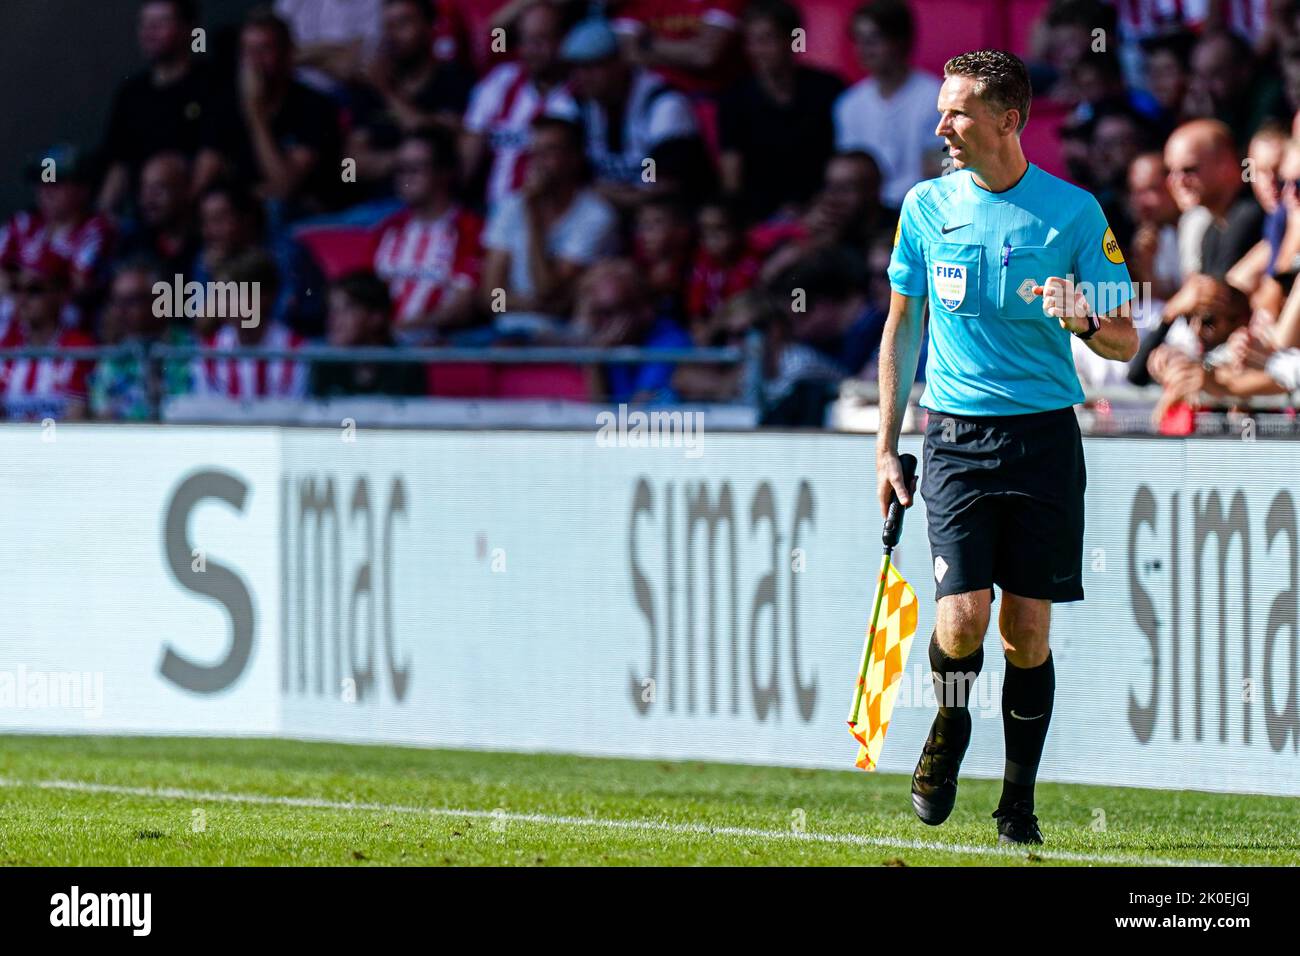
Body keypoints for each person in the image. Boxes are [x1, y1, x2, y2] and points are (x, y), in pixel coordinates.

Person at [877, 50, 1137, 846]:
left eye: (955, 112)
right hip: (954, 438)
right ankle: (950, 728)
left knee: (1027, 629)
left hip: (1044, 439)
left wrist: (1083, 317)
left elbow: (1126, 339)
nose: (940, 125)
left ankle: (1017, 802)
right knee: (961, 620)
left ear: (1007, 119)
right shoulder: (925, 206)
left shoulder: (1075, 213)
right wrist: (886, 449)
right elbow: (903, 324)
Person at [195, 6, 344, 219]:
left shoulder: (315, 106)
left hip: (300, 218)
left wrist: (255, 112)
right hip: (240, 217)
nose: (255, 62)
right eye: (248, 51)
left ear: (287, 54)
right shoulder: (225, 105)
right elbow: (205, 177)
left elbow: (284, 188)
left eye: (264, 50)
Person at [480, 116, 619, 340]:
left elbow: (547, 289)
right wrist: (537, 305)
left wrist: (533, 216)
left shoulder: (596, 215)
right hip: (504, 330)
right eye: (535, 153)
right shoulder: (509, 207)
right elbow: (491, 298)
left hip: (563, 335)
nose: (539, 162)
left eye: (550, 152)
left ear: (575, 158)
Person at [718, 0, 844, 221]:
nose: (758, 51)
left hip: (824, 212)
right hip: (759, 218)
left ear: (793, 39)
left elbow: (842, 162)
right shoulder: (735, 100)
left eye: (767, 39)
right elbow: (732, 182)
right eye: (751, 41)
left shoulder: (828, 90)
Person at [561, 17, 699, 210]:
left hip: (662, 220)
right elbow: (560, 175)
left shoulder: (662, 104)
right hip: (603, 215)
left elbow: (660, 187)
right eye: (576, 68)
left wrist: (601, 192)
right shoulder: (577, 104)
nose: (582, 77)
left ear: (618, 63)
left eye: (592, 67)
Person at [346, 0, 477, 194]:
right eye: (387, 27)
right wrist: (410, 161)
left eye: (403, 24)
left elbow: (444, 145)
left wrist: (387, 92)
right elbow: (351, 167)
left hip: (431, 206)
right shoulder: (369, 89)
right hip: (370, 207)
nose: (392, 36)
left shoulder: (456, 81)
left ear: (430, 27)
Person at [460, 1, 577, 209]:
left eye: (541, 39)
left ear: (563, 40)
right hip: (492, 212)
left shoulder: (578, 95)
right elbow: (466, 160)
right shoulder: (500, 81)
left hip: (550, 214)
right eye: (526, 40)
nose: (532, 49)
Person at [98, 0, 211, 213]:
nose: (150, 32)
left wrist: (185, 209)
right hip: (138, 216)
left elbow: (213, 157)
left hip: (192, 215)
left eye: (161, 22)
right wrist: (103, 220)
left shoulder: (210, 84)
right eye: (145, 23)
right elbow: (119, 165)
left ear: (188, 29)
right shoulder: (131, 93)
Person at [372, 129, 484, 343]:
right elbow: (364, 293)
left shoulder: (470, 229)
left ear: (444, 173)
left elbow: (462, 306)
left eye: (414, 169)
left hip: (435, 344)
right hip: (382, 346)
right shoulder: (388, 228)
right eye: (400, 169)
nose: (404, 178)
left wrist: (403, 329)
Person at [833, 0, 943, 209]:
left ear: (901, 41)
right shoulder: (848, 104)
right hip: (864, 213)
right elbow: (850, 174)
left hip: (919, 211)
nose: (864, 50)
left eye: (874, 40)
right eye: (859, 40)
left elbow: (941, 173)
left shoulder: (936, 97)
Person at [90, 259, 197, 420]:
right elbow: (101, 412)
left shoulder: (191, 348)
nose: (121, 310)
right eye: (117, 301)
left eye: (132, 301)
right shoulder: (114, 356)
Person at [1163, 119, 1264, 278]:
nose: (1177, 181)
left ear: (1225, 164)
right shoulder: (1213, 229)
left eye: (1189, 169)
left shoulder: (1251, 214)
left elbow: (1216, 296)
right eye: (1170, 171)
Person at [2, 258, 96, 421]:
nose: (22, 298)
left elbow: (76, 420)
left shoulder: (80, 349)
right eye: (16, 289)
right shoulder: (6, 348)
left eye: (34, 290)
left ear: (60, 295)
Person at [311, 271, 427, 397]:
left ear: (376, 317)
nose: (333, 319)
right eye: (332, 309)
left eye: (347, 308)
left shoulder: (405, 366)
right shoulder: (325, 365)